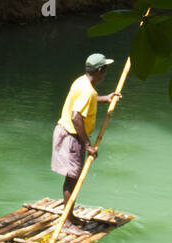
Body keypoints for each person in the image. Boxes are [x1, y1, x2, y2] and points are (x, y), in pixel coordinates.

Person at [51, 52, 120, 232]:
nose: (106, 72)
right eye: (104, 69)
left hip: (68, 133)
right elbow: (76, 117)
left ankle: (70, 215)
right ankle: (66, 222)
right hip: (71, 136)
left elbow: (87, 101)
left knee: (71, 178)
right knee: (72, 179)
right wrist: (88, 145)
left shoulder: (82, 82)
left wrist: (105, 98)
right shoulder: (87, 89)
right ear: (99, 70)